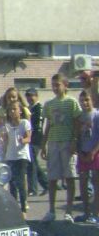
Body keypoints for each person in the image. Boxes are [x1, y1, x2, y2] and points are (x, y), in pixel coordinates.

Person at [41, 73, 81, 222]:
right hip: (53, 142)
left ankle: (68, 212)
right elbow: (48, 125)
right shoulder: (49, 104)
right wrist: (43, 145)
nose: (55, 88)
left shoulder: (71, 102)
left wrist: (74, 140)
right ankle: (51, 210)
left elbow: (77, 122)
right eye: (53, 85)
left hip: (67, 142)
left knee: (69, 177)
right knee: (52, 178)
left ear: (65, 85)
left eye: (58, 85)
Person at [0, 103, 31, 215]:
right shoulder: (7, 126)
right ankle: (14, 207)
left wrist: (23, 140)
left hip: (21, 155)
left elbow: (29, 137)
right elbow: (5, 140)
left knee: (21, 181)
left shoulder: (24, 123)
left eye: (15, 109)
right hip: (11, 156)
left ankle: (23, 207)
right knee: (12, 182)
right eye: (10, 110)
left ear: (20, 111)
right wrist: (3, 147)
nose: (12, 112)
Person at [76, 90, 99, 224]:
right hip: (83, 153)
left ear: (93, 101)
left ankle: (96, 213)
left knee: (96, 183)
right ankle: (86, 212)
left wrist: (93, 152)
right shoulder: (80, 118)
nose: (85, 103)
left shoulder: (96, 115)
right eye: (82, 101)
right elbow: (77, 137)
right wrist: (80, 153)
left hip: (95, 153)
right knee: (83, 183)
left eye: (87, 100)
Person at [25, 87, 45, 195]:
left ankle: (33, 189)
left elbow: (38, 125)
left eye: (32, 95)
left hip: (36, 139)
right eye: (28, 96)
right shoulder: (29, 108)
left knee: (32, 163)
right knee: (33, 163)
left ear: (36, 96)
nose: (30, 98)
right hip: (30, 139)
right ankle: (46, 184)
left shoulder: (39, 108)